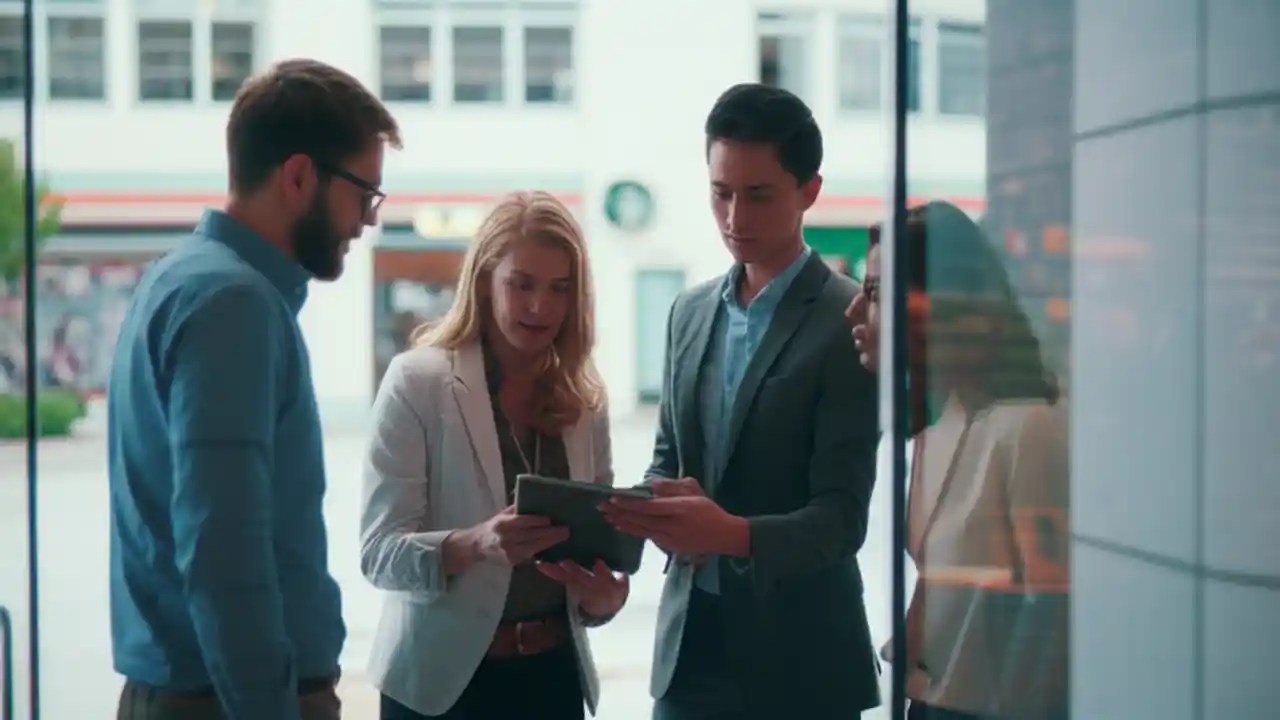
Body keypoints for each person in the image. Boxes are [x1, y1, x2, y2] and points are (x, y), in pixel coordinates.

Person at [106, 59, 401, 720]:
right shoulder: (231, 303)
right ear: (299, 176)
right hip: (223, 703)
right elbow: (223, 549)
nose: (368, 220)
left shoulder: (181, 278)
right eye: (364, 192)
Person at [601, 83, 882, 719]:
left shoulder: (851, 318)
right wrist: (618, 523)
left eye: (758, 195)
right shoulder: (689, 312)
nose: (735, 218)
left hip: (802, 660)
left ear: (809, 192)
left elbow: (841, 520)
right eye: (720, 193)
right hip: (689, 645)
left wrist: (731, 535)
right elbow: (670, 460)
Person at [361, 190, 627, 720]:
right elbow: (378, 554)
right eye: (521, 284)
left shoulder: (582, 400)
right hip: (439, 687)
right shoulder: (420, 381)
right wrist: (473, 544)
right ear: (485, 280)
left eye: (560, 289)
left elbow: (601, 558)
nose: (540, 307)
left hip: (551, 680)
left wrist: (605, 598)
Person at [846, 201, 1069, 720]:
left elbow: (1050, 620)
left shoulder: (1025, 428)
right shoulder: (943, 417)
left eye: (874, 292)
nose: (854, 311)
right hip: (926, 702)